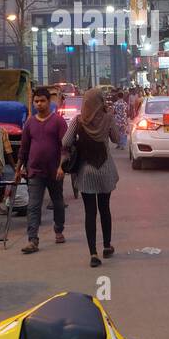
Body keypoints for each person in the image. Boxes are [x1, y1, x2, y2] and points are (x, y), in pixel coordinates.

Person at [64, 88, 121, 268]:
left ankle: (93, 254)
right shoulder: (108, 118)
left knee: (90, 212)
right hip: (105, 170)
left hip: (86, 171)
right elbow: (117, 139)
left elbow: (65, 142)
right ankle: (106, 246)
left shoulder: (78, 121)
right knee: (105, 209)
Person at [16, 86, 69, 254]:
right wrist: (18, 169)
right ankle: (33, 240)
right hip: (35, 171)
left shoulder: (58, 122)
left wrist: (62, 167)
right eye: (36, 101)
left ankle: (59, 229)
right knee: (33, 206)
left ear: (49, 102)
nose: (39, 104)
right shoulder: (30, 123)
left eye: (42, 101)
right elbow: (24, 149)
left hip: (55, 171)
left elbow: (65, 148)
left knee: (58, 203)